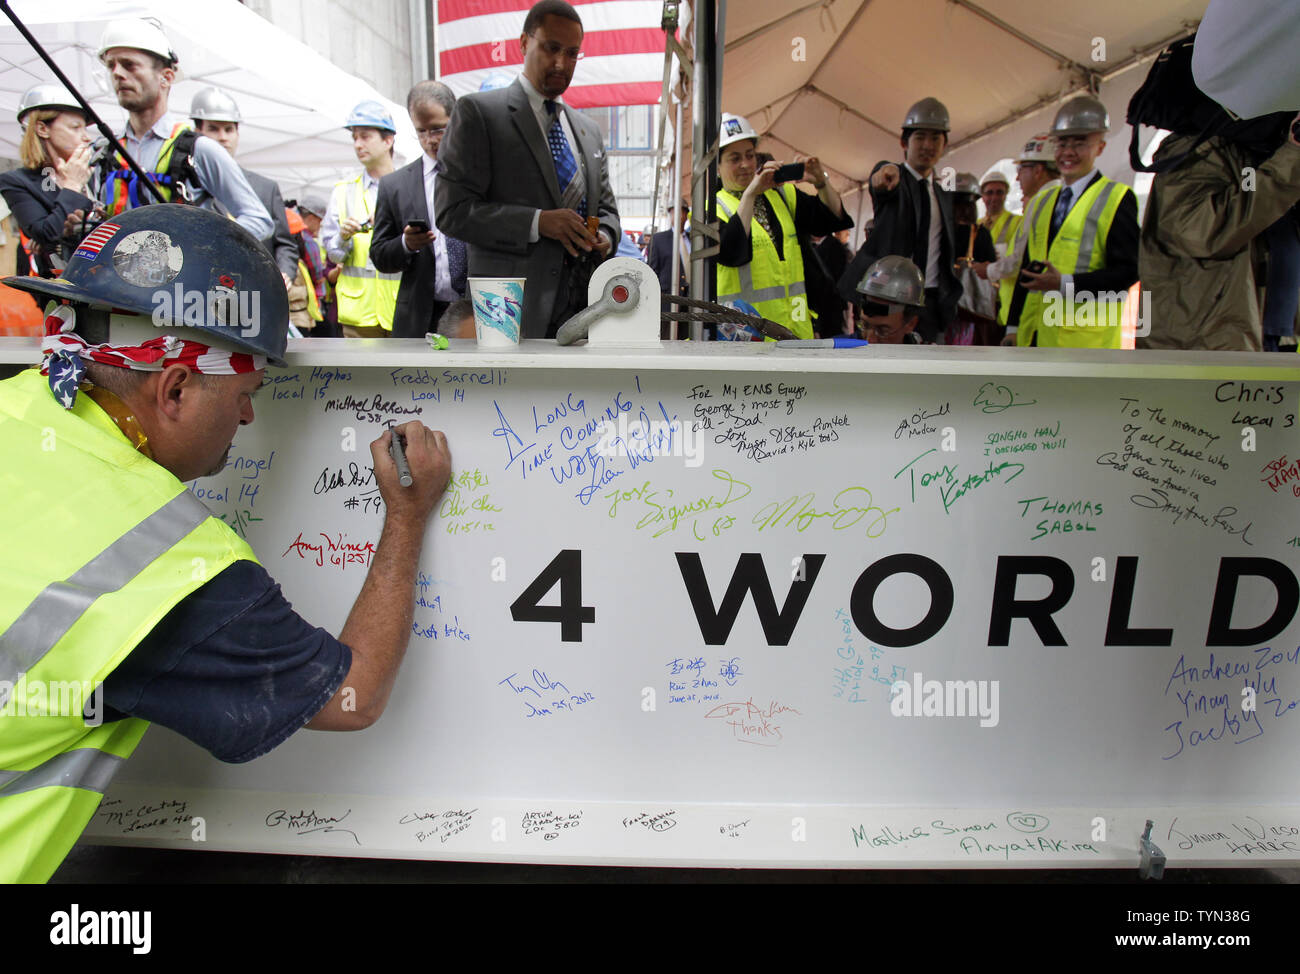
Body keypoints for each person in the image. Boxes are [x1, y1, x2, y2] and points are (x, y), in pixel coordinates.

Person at [0, 204, 452, 883]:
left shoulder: (15, 409)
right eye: (247, 392)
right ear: (177, 387)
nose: (246, 414)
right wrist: (408, 515)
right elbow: (351, 695)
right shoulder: (163, 568)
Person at [435, 0, 621, 339]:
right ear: (524, 43)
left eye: (572, 53)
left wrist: (605, 236)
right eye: (551, 48)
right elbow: (452, 212)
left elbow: (607, 211)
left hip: (583, 315)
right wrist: (537, 222)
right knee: (502, 394)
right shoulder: (479, 114)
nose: (562, 63)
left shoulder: (587, 131)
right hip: (506, 311)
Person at [1135, 36, 1300, 351]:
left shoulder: (1262, 153)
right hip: (1212, 353)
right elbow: (1202, 232)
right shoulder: (1197, 151)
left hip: (1273, 343)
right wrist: (1291, 157)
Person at [94, 19, 271, 240]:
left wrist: (202, 241)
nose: (117, 73)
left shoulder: (200, 150)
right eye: (111, 65)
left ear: (166, 77)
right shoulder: (104, 153)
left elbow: (259, 220)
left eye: (129, 65)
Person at [1016, 96, 1140, 349]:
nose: (1068, 152)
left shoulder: (1116, 198)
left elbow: (1128, 271)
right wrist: (1013, 326)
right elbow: (1027, 267)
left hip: (1086, 344)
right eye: (1062, 143)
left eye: (1080, 143)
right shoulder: (1043, 201)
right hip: (1036, 336)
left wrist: (1063, 284)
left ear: (1100, 147)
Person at [714, 112, 851, 339]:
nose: (746, 165)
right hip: (747, 337)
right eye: (734, 158)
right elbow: (732, 252)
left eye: (750, 155)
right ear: (717, 166)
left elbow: (832, 220)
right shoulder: (711, 208)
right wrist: (750, 194)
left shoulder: (783, 195)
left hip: (794, 332)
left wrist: (820, 181)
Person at [838, 97, 959, 343]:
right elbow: (881, 180)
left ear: (945, 144)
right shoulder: (894, 178)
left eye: (935, 138)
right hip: (885, 301)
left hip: (929, 301)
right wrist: (882, 176)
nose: (928, 145)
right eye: (920, 137)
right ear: (904, 142)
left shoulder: (943, 197)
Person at [371, 81, 469, 338]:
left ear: (455, 119)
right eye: (421, 131)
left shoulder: (479, 175)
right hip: (419, 316)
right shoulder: (395, 185)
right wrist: (405, 243)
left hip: (476, 311)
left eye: (438, 129)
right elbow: (379, 254)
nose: (430, 140)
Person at [188, 87, 299, 287]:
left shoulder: (266, 188)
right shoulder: (188, 186)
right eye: (213, 129)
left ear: (237, 134)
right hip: (202, 287)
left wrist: (285, 271)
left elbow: (284, 243)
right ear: (198, 134)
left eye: (229, 129)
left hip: (255, 290)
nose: (223, 137)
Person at [321, 101, 402, 337]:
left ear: (388, 141)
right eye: (355, 138)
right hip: (358, 315)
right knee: (361, 376)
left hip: (401, 310)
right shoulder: (343, 192)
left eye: (365, 137)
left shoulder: (410, 187)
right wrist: (343, 236)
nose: (358, 144)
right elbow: (333, 255)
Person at [0, 84, 97, 279]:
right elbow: (46, 233)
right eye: (75, 127)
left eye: (85, 128)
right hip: (56, 286)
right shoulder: (16, 181)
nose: (86, 137)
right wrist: (72, 185)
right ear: (43, 129)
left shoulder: (95, 172)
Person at [988, 134, 1060, 344]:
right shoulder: (1062, 198)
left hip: (1033, 313)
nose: (1017, 178)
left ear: (1038, 170)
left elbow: (1021, 260)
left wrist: (989, 270)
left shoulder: (1041, 202)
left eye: (1021, 170)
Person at [949, 172, 999, 343]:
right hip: (969, 308)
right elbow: (990, 268)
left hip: (940, 305)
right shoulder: (980, 233)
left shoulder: (939, 230)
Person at [855, 255, 926, 344]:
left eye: (883, 331)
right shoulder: (839, 351)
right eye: (864, 325)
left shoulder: (924, 357)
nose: (870, 340)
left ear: (910, 324)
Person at [296, 194, 339, 336]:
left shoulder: (290, 232)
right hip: (310, 304)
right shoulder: (307, 240)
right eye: (320, 220)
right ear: (311, 217)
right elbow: (317, 274)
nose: (320, 225)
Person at [647, 199, 690, 296]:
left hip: (693, 296)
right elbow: (652, 271)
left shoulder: (694, 240)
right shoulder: (658, 240)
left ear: (686, 215)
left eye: (681, 212)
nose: (678, 216)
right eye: (674, 212)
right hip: (668, 297)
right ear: (670, 215)